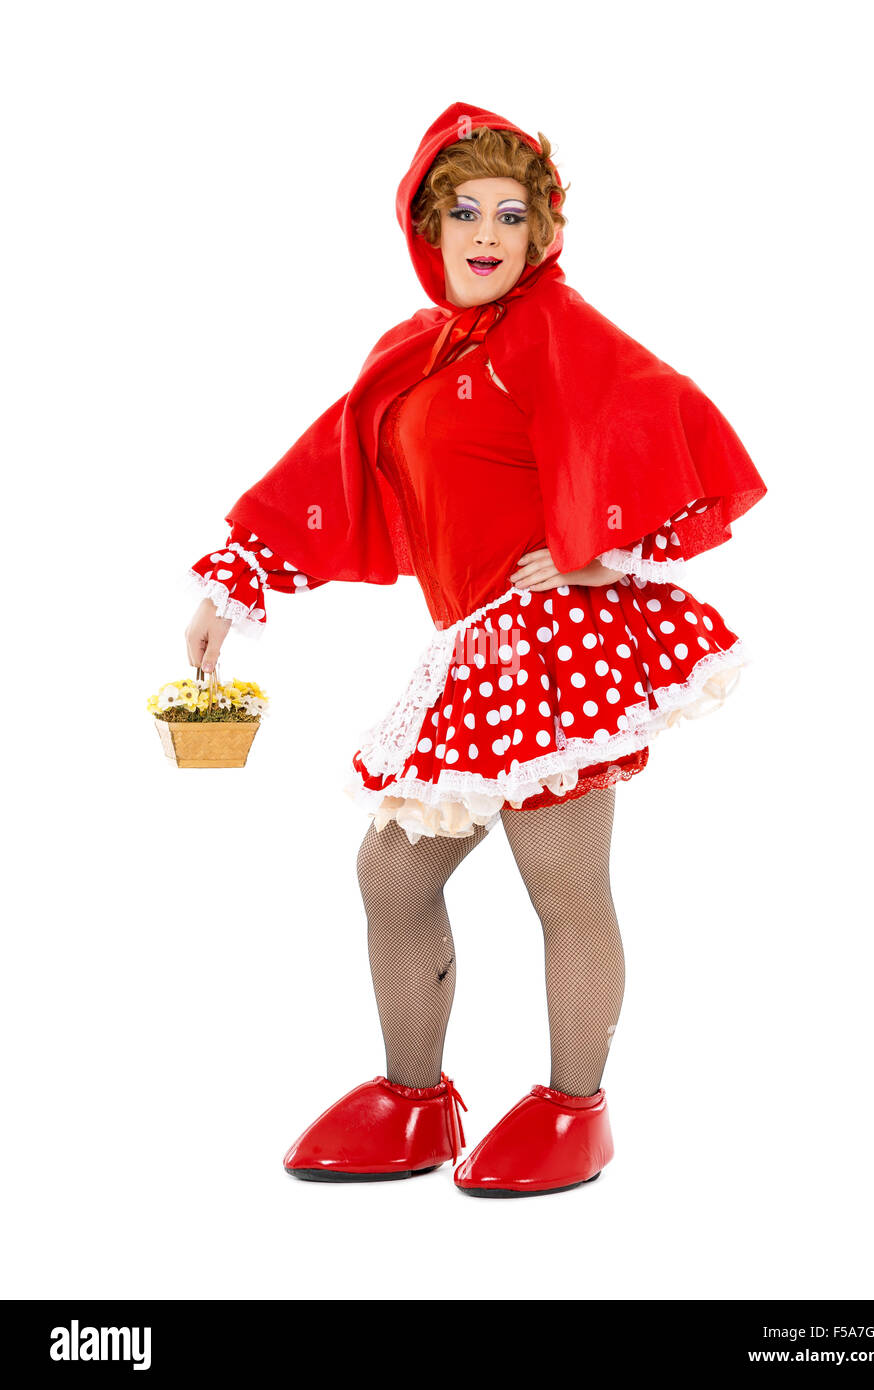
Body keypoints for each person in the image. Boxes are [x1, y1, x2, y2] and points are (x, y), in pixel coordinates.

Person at [183, 103, 767, 1197]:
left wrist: (603, 555)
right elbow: (330, 466)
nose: (488, 232)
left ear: (542, 232)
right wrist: (240, 574)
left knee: (562, 881)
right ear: (428, 224)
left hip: (553, 646)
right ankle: (416, 1099)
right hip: (467, 653)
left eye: (513, 211)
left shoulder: (555, 327)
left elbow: (674, 425)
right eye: (464, 210)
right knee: (391, 874)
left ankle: (572, 1107)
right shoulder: (414, 352)